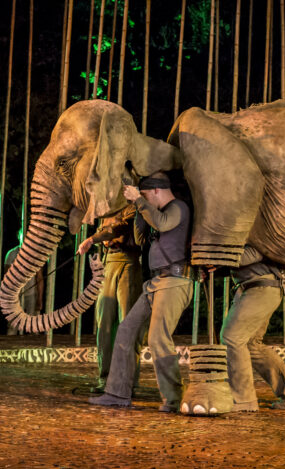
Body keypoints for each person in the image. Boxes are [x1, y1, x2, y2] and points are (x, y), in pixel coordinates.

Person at [89, 172, 192, 412]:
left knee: (157, 338)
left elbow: (163, 224)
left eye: (145, 195)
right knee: (126, 330)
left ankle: (174, 398)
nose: (141, 199)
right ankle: (117, 392)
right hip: (156, 281)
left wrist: (139, 201)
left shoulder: (179, 208)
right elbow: (139, 238)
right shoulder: (149, 210)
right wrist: (137, 208)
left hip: (175, 280)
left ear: (157, 191)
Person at [220, 246, 285, 411]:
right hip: (255, 286)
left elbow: (257, 251)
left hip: (261, 287)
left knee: (232, 338)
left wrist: (219, 260)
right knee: (251, 344)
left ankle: (244, 400)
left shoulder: (253, 223)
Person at [77, 204, 143, 393]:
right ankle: (105, 378)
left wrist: (94, 238)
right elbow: (106, 232)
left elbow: (118, 228)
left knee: (127, 324)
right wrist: (103, 237)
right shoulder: (105, 209)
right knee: (104, 325)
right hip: (108, 264)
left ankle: (127, 381)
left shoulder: (131, 207)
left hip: (128, 262)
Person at [5, 229, 44, 335]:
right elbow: (6, 278)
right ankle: (11, 349)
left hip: (31, 294)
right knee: (13, 325)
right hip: (16, 295)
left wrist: (40, 298)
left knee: (33, 326)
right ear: (19, 236)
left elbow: (39, 278)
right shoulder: (12, 254)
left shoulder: (35, 255)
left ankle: (34, 349)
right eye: (23, 235)